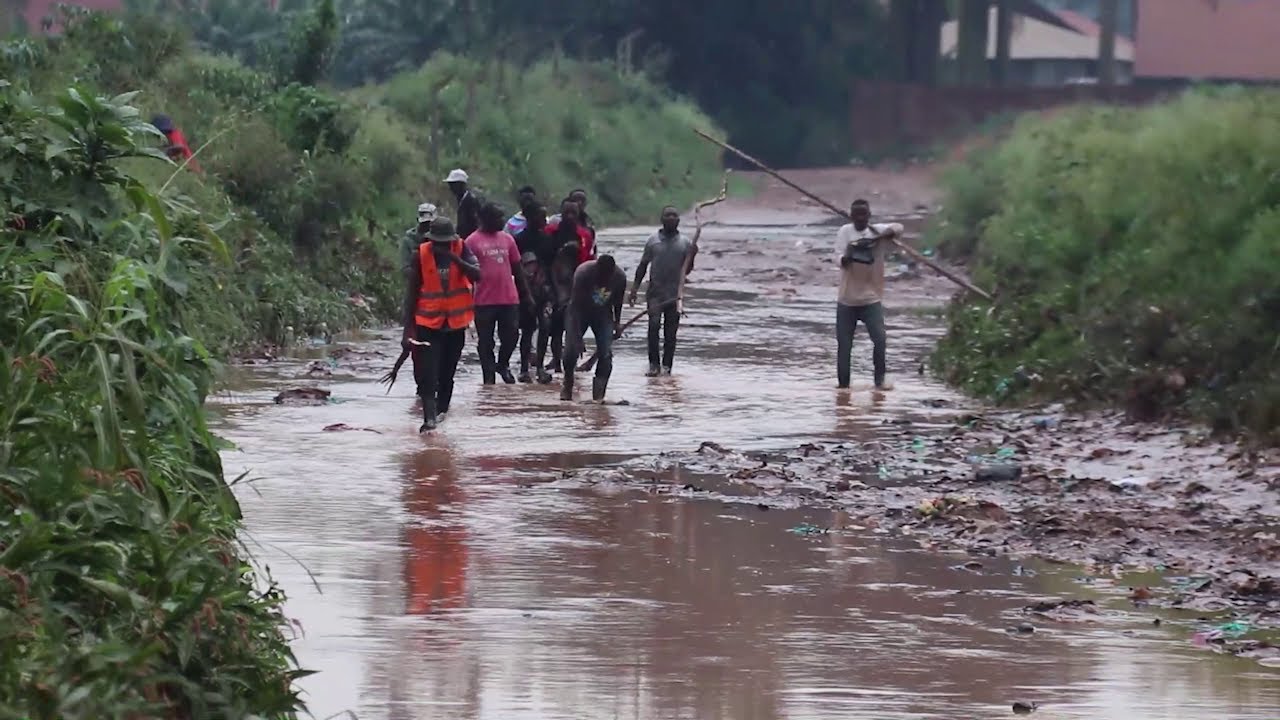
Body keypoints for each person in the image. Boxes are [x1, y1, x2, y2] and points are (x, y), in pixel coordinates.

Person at [403, 217, 481, 432]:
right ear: (431, 240)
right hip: (427, 324)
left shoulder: (462, 250)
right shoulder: (420, 255)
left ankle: (441, 413)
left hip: (455, 325)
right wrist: (407, 330)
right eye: (438, 243)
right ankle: (429, 420)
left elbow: (478, 275)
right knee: (428, 374)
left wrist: (455, 259)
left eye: (446, 243)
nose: (442, 247)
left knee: (447, 374)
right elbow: (411, 294)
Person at [835, 199, 903, 390]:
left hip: (871, 298)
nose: (860, 218)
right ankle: (843, 387)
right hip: (847, 299)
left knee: (880, 340)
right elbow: (837, 257)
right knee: (844, 347)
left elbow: (899, 228)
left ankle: (880, 383)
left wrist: (884, 235)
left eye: (863, 214)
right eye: (856, 214)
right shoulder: (845, 232)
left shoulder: (877, 232)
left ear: (869, 215)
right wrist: (848, 256)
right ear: (851, 216)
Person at [466, 202, 532, 385]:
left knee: (511, 336)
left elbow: (517, 269)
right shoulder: (471, 241)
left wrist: (526, 295)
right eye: (498, 217)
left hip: (508, 298)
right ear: (485, 219)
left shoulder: (508, 239)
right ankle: (489, 378)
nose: (502, 221)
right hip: (483, 300)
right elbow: (466, 273)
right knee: (486, 341)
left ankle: (502, 364)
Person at [630, 206, 697, 376]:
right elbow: (643, 265)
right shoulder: (653, 241)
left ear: (679, 220)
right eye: (668, 215)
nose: (671, 218)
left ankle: (667, 367)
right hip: (655, 293)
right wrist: (634, 289)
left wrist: (693, 255)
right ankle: (654, 365)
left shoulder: (685, 243)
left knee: (670, 332)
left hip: (675, 295)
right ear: (662, 219)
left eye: (674, 215)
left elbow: (687, 270)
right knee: (653, 326)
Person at [561, 254, 626, 402]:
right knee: (571, 351)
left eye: (607, 276)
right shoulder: (583, 273)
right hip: (579, 312)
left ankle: (598, 396)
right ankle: (567, 384)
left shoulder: (620, 277)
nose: (604, 279)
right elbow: (575, 306)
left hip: (603, 314)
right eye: (601, 276)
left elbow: (618, 302)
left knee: (606, 354)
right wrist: (577, 337)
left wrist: (617, 323)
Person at [514, 205, 556, 383]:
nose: (544, 220)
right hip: (524, 291)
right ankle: (525, 368)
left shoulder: (548, 239)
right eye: (541, 217)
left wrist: (553, 292)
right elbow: (515, 266)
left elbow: (552, 266)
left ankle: (539, 367)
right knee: (528, 329)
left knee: (544, 328)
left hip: (544, 290)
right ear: (530, 218)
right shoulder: (519, 240)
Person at [546, 199, 596, 264]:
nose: (570, 216)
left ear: (578, 213)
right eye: (566, 212)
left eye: (573, 213)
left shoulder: (585, 235)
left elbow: (588, 259)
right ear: (561, 212)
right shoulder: (549, 231)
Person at [444, 169, 481, 240]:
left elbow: (475, 224)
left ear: (461, 184)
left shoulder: (471, 201)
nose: (450, 188)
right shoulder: (461, 199)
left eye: (453, 185)